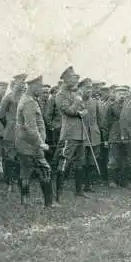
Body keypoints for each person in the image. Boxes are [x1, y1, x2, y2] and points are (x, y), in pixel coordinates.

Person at [15, 75, 56, 207]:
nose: (42, 88)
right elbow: (31, 127)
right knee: (45, 170)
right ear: (32, 86)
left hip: (24, 144)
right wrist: (40, 143)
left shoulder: (27, 99)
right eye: (40, 86)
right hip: (32, 145)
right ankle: (49, 203)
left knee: (25, 172)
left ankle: (25, 202)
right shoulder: (29, 102)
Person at [52, 67, 90, 202]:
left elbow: (83, 110)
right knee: (64, 162)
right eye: (74, 77)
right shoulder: (60, 94)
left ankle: (79, 191)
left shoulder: (74, 93)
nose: (76, 79)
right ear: (66, 78)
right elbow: (69, 111)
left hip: (80, 133)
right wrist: (78, 103)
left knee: (80, 162)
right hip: (69, 134)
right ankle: (58, 193)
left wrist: (81, 109)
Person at [0, 74, 27, 192]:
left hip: (23, 130)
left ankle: (19, 180)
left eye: (24, 83)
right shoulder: (8, 98)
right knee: (10, 157)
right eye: (21, 82)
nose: (23, 85)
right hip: (11, 131)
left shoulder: (26, 97)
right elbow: (1, 115)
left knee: (22, 156)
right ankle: (9, 182)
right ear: (15, 84)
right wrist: (10, 124)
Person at [79, 78, 104, 192]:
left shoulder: (95, 102)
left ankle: (90, 184)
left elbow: (100, 120)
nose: (88, 90)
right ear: (80, 89)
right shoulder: (77, 102)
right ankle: (81, 184)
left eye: (90, 88)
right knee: (82, 160)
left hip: (94, 135)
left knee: (93, 160)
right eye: (86, 88)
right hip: (81, 135)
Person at [105, 85, 131, 188]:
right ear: (115, 95)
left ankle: (125, 181)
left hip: (127, 137)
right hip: (114, 136)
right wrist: (107, 139)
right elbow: (106, 124)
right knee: (113, 160)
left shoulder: (130, 107)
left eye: (124, 94)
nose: (122, 96)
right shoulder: (111, 107)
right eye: (120, 94)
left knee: (127, 159)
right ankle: (112, 180)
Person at [44, 84, 62, 163]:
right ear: (53, 93)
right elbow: (48, 114)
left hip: (63, 127)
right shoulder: (52, 100)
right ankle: (54, 164)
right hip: (56, 127)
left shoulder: (61, 100)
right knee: (56, 147)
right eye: (56, 92)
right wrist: (51, 126)